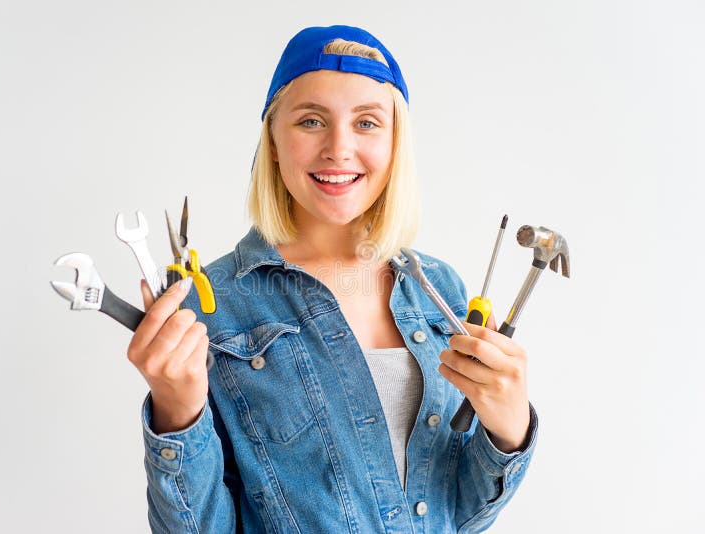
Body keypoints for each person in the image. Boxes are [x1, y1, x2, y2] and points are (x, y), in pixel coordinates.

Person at [127, 25, 537, 533]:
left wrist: (508, 428)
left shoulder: (440, 290)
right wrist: (177, 412)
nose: (338, 149)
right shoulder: (212, 308)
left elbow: (460, 517)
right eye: (312, 120)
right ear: (273, 141)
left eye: (366, 123)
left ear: (394, 144)